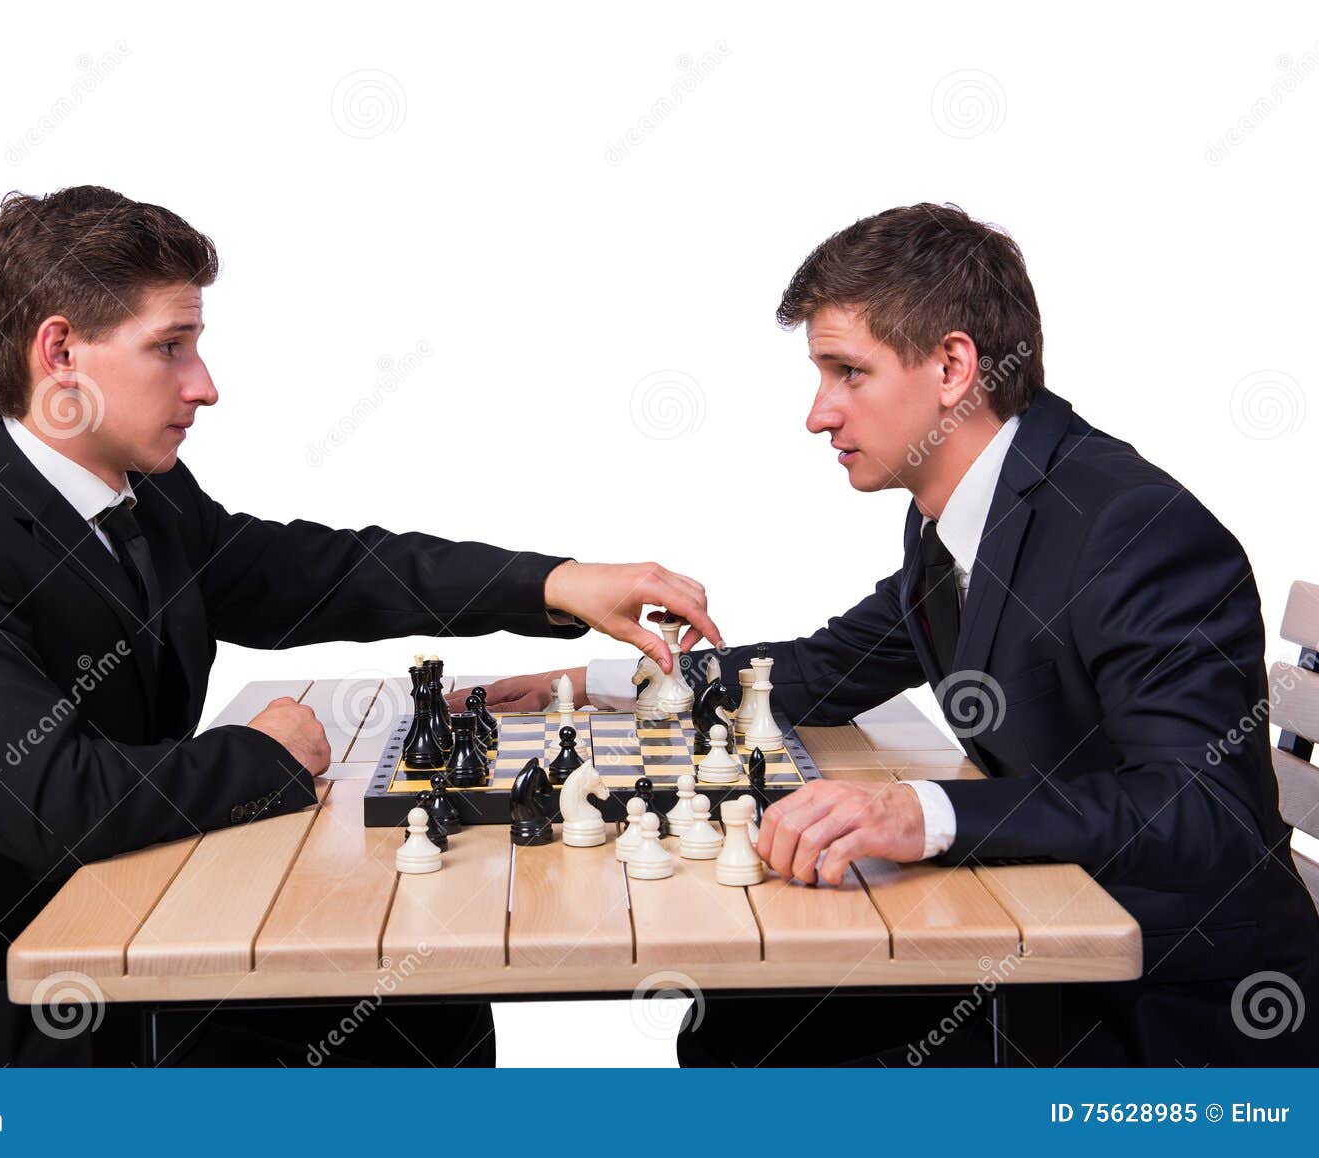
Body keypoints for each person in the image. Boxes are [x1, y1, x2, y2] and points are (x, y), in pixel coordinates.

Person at [0, 185, 722, 1067]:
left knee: (429, 1013)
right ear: (59, 352)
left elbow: (319, 573)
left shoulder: (140, 496)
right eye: (169, 348)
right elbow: (57, 804)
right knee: (413, 1032)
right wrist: (264, 753)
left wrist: (552, 585)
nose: (205, 387)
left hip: (126, 945)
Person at [473, 203, 1319, 1066]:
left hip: (1175, 1013)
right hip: (1057, 939)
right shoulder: (954, 514)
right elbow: (822, 671)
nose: (817, 414)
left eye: (848, 372)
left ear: (953, 366)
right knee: (734, 1017)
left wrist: (924, 811)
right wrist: (609, 684)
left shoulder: (1132, 527)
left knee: (754, 1037)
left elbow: (1201, 810)